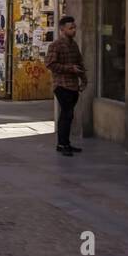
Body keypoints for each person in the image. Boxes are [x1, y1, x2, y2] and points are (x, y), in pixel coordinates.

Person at [45, 15, 87, 156]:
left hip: (73, 85)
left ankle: (65, 143)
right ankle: (62, 144)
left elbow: (80, 63)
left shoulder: (74, 45)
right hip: (62, 85)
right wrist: (70, 68)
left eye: (74, 27)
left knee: (68, 116)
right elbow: (50, 64)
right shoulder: (55, 45)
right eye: (71, 28)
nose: (74, 30)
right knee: (66, 114)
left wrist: (83, 80)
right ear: (62, 29)